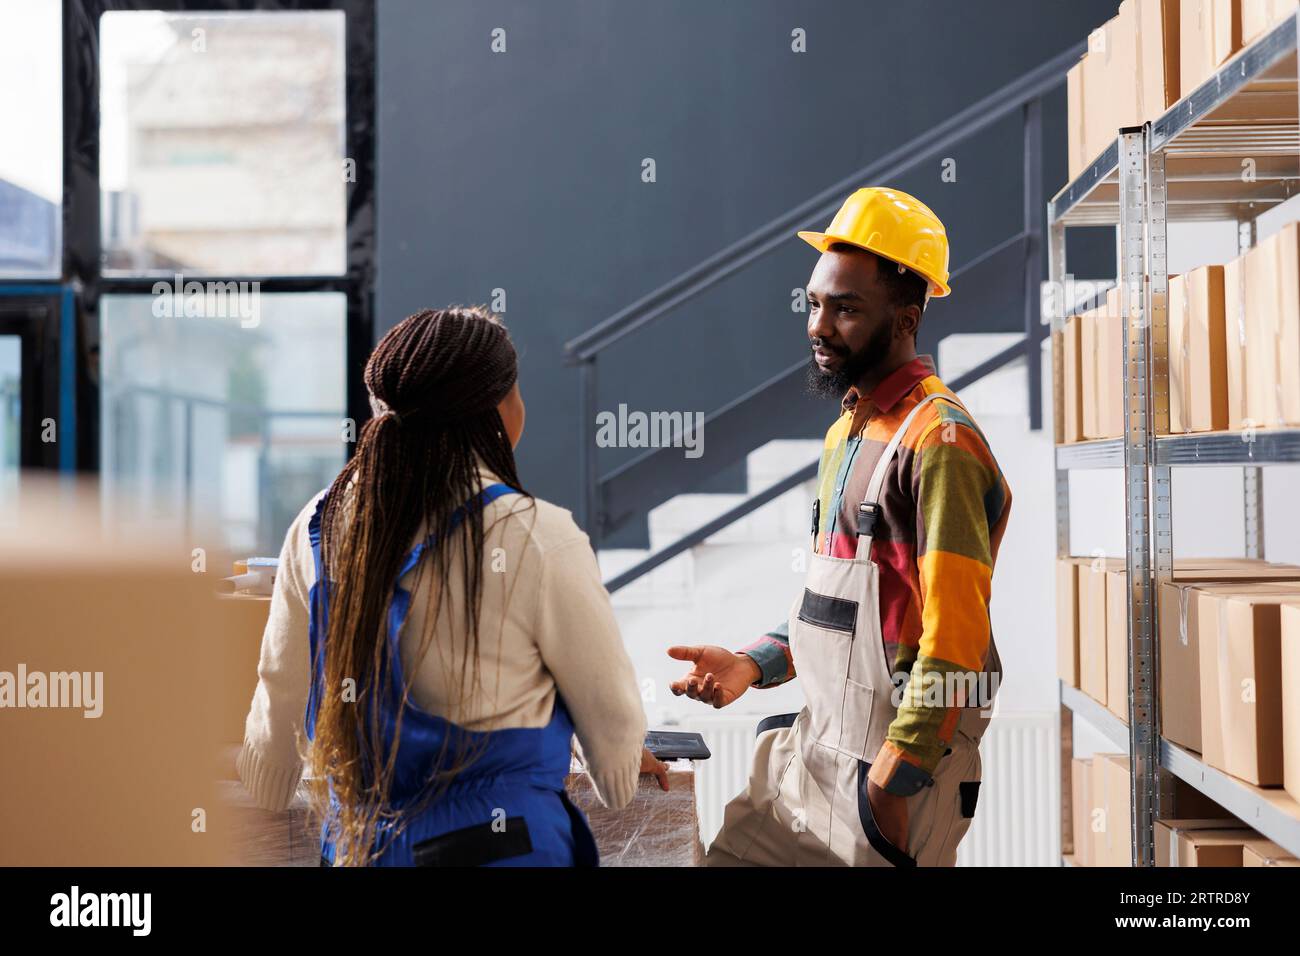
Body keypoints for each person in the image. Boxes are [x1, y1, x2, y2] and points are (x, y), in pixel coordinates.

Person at [238, 306, 665, 866]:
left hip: (363, 846)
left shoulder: (319, 524)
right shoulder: (536, 534)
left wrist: (267, 779)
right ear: (495, 410)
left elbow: (282, 685)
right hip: (500, 846)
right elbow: (607, 708)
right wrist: (617, 763)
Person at [669, 187, 1011, 867]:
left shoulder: (940, 443)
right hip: (807, 753)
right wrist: (752, 664)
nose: (819, 326)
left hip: (883, 773)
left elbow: (959, 642)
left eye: (847, 309)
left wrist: (896, 776)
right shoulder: (847, 431)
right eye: (815, 303)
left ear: (907, 319)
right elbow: (844, 608)